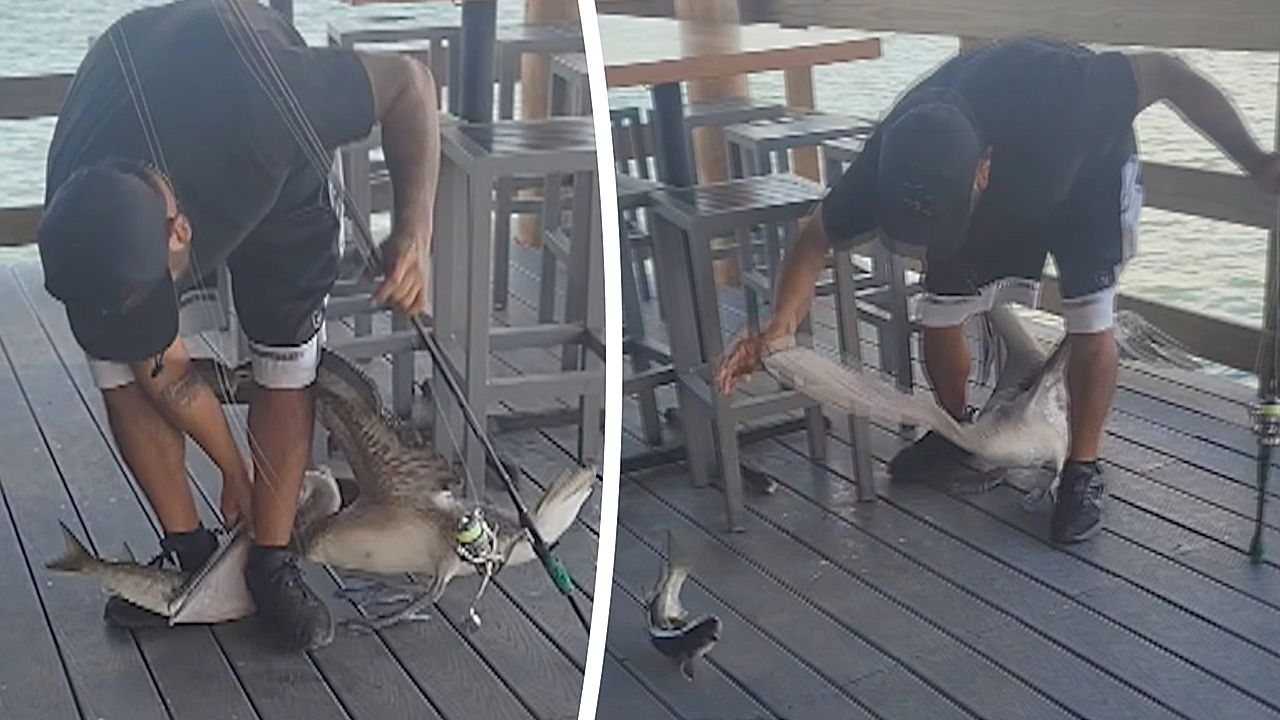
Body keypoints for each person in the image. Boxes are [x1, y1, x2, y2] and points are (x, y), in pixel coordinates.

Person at [716, 38, 1280, 544]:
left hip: (1088, 177)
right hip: (986, 191)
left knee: (1089, 320)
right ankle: (957, 431)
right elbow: (815, 238)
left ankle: (1083, 468)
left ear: (983, 172)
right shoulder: (892, 159)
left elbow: (1168, 70)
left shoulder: (1073, 99)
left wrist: (1255, 161)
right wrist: (779, 331)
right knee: (938, 312)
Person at [36, 0, 440, 649]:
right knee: (121, 368)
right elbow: (160, 372)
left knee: (287, 360)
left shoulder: (267, 105)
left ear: (181, 233)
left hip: (279, 188)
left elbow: (409, 84)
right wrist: (232, 468)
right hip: (130, 68)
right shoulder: (74, 198)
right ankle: (191, 556)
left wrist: (416, 231)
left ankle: (273, 560)